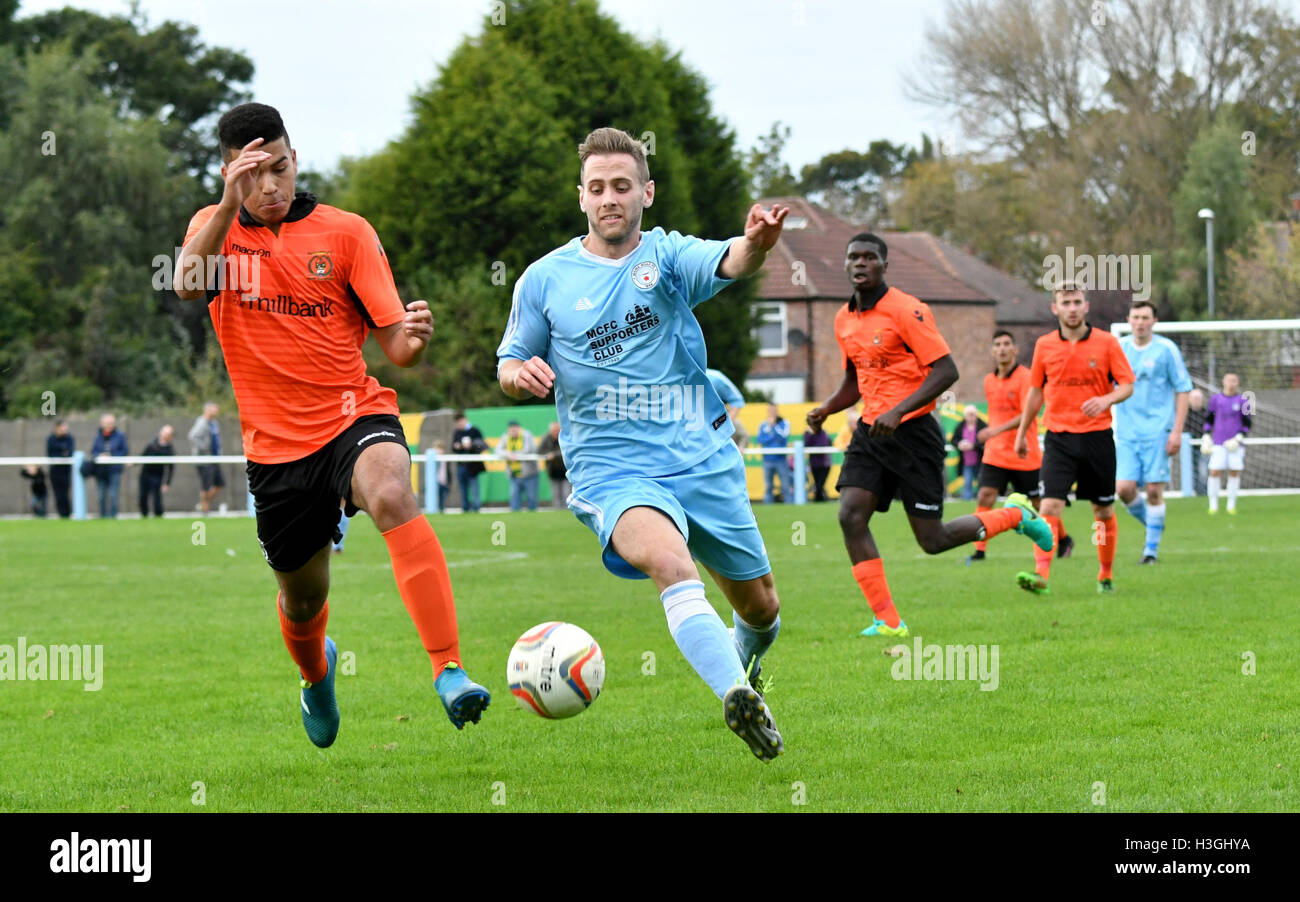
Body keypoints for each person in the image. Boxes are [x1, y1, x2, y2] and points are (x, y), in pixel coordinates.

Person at [173, 102, 488, 747]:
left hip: (354, 415)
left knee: (391, 491)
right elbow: (185, 284)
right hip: (276, 452)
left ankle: (448, 669)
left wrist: (414, 337)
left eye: (280, 169)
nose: (270, 187)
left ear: (295, 159)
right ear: (229, 172)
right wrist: (227, 206)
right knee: (303, 601)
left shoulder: (346, 233)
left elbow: (395, 346)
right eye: (252, 175)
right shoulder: (214, 229)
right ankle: (317, 675)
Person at [497, 127, 788, 761]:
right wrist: (521, 374)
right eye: (597, 188)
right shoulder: (543, 280)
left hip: (700, 456)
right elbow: (509, 361)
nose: (610, 198)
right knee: (671, 565)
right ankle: (735, 695)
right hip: (612, 470)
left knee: (762, 608)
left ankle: (742, 666)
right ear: (581, 198)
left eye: (622, 187)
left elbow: (731, 259)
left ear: (645, 193)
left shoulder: (668, 257)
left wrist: (759, 242)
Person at [806, 233, 1052, 638]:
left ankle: (1015, 516)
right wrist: (827, 408)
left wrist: (900, 411)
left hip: (914, 434)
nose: (860, 264)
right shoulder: (843, 319)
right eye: (854, 257)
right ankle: (887, 621)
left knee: (932, 540)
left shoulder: (907, 310)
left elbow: (946, 371)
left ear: (885, 265)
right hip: (871, 433)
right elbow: (855, 377)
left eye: (870, 257)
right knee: (850, 515)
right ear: (846, 265)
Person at [1013, 282, 1135, 595]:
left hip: (1097, 439)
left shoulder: (1107, 343)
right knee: (1050, 506)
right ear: (1055, 308)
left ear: (1086, 306)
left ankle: (1105, 574)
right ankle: (1041, 575)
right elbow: (1036, 391)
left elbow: (1126, 385)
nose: (1071, 308)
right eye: (1065, 302)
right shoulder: (1045, 346)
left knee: (1103, 511)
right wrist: (1022, 433)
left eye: (1077, 302)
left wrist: (1106, 400)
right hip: (1058, 438)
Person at [968, 331, 1073, 564]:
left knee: (1038, 504)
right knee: (986, 495)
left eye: (1007, 344)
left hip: (1024, 452)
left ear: (1015, 349)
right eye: (997, 344)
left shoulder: (1026, 377)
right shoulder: (989, 380)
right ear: (992, 350)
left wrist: (995, 431)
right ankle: (979, 549)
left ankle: (1064, 539)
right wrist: (992, 434)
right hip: (995, 453)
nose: (1002, 348)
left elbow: (1029, 411)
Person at [1115, 300, 1191, 563]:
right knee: (1123, 489)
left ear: (1154, 321)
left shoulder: (1166, 350)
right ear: (1128, 320)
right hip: (1126, 432)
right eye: (1135, 317)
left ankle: (1150, 551)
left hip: (1158, 431)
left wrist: (1177, 432)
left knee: (1154, 491)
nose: (1140, 322)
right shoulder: (1120, 348)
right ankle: (1153, 524)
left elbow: (1183, 389)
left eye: (1145, 317)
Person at [1204, 373, 1251, 515]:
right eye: (1229, 380)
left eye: (1234, 380)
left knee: (1234, 472)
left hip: (1235, 445)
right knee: (1214, 471)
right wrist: (1206, 435)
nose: (1231, 383)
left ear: (1237, 383)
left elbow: (1248, 423)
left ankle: (1231, 505)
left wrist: (1239, 437)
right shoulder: (1215, 399)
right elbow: (1208, 419)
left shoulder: (1244, 401)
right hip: (1218, 442)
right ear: (1223, 382)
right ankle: (1213, 505)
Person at [189, 402, 226, 514]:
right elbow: (192, 436)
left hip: (214, 459)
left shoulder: (214, 423)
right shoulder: (202, 422)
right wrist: (204, 448)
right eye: (214, 409)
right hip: (204, 460)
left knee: (219, 484)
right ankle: (205, 511)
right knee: (206, 486)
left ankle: (203, 504)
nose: (217, 411)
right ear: (207, 410)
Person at [90, 413, 128, 519]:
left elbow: (124, 451)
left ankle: (113, 516)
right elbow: (93, 451)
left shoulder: (120, 435)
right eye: (107, 423)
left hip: (114, 469)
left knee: (113, 495)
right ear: (102, 423)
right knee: (101, 495)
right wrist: (100, 455)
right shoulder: (98, 436)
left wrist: (112, 456)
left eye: (111, 423)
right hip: (101, 470)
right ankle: (102, 516)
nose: (109, 425)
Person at [498, 420, 540, 511]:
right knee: (514, 498)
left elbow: (529, 449)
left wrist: (515, 455)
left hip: (530, 474)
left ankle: (533, 517)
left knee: (531, 497)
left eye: (515, 429)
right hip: (514, 474)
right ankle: (516, 518)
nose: (513, 431)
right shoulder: (505, 437)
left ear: (519, 428)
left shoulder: (527, 435)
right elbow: (498, 450)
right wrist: (508, 454)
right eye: (511, 429)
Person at [756, 404, 793, 504]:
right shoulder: (763, 424)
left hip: (781, 460)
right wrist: (772, 437)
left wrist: (773, 427)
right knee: (768, 486)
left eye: (774, 410)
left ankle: (790, 506)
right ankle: (768, 506)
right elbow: (760, 440)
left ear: (777, 411)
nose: (772, 412)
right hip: (767, 460)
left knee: (785, 486)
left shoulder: (784, 423)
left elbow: (783, 437)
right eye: (770, 410)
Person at [451, 412, 487, 513]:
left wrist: (472, 445)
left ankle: (476, 507)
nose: (459, 425)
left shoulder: (475, 430)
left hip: (473, 466)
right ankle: (465, 507)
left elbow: (482, 445)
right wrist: (458, 446)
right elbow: (453, 448)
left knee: (474, 487)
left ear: (464, 420)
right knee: (463, 488)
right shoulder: (456, 432)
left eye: (460, 422)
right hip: (461, 465)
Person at [950, 405, 987, 500]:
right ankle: (966, 500)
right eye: (968, 415)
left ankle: (982, 499)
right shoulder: (961, 425)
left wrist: (973, 446)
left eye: (972, 415)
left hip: (980, 460)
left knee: (982, 481)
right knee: (967, 482)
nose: (970, 417)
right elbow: (954, 439)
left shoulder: (982, 425)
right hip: (966, 461)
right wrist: (959, 444)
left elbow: (986, 440)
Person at [138, 425, 176, 518]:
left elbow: (171, 468)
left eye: (168, 434)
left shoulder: (169, 449)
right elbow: (142, 457)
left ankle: (158, 515)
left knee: (156, 497)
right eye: (164, 433)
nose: (165, 435)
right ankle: (144, 515)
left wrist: (167, 483)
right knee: (143, 496)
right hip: (145, 474)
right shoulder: (151, 444)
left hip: (157, 476)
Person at [706, 368, 748, 448]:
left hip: (714, 441)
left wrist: (718, 426)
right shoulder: (678, 376)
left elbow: (737, 400)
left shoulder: (714, 377)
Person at [536, 422, 569, 508]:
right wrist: (548, 454)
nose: (556, 432)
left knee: (567, 493)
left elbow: (567, 451)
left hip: (566, 471)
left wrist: (554, 455)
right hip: (553, 471)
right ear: (550, 431)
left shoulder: (565, 437)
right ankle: (557, 511)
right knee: (556, 494)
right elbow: (539, 451)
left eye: (558, 430)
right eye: (554, 430)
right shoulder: (546, 438)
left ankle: (567, 511)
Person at [46, 419, 74, 518]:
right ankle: (61, 514)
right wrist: (62, 451)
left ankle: (68, 513)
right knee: (58, 493)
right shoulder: (51, 438)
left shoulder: (69, 438)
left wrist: (61, 452)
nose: (65, 430)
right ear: (57, 428)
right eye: (63, 427)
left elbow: (70, 452)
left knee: (66, 493)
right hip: (55, 470)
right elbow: (51, 453)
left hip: (66, 470)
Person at [1185, 388, 1207, 496]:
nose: (1196, 400)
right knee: (1191, 470)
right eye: (1194, 398)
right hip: (1188, 448)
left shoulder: (1206, 413)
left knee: (1203, 470)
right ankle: (1192, 491)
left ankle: (1203, 492)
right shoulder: (1185, 413)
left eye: (1198, 398)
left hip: (1204, 446)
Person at [430, 440, 452, 513]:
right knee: (436, 496)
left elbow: (448, 471)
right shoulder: (432, 459)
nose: (439, 451)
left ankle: (441, 509)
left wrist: (449, 481)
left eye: (440, 449)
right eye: (437, 449)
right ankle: (436, 509)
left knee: (443, 496)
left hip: (444, 481)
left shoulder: (446, 459)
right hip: (436, 481)